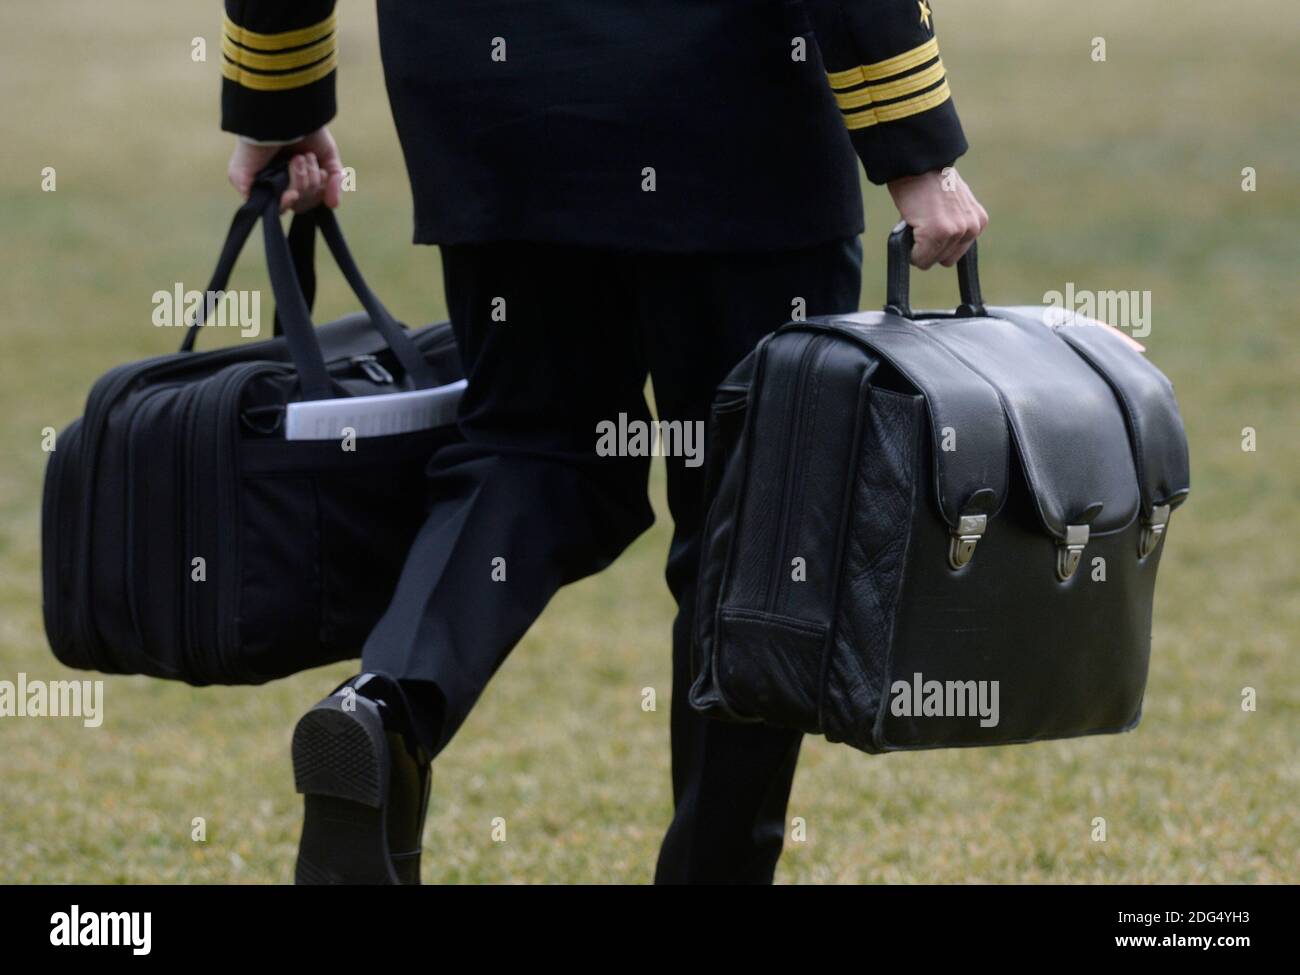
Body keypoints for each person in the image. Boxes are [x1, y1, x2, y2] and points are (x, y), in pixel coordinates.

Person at [220, 0, 988, 884]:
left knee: (532, 452)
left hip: (490, 100)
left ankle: (387, 707)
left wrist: (279, 94)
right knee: (752, 518)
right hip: (728, 104)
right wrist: (915, 143)